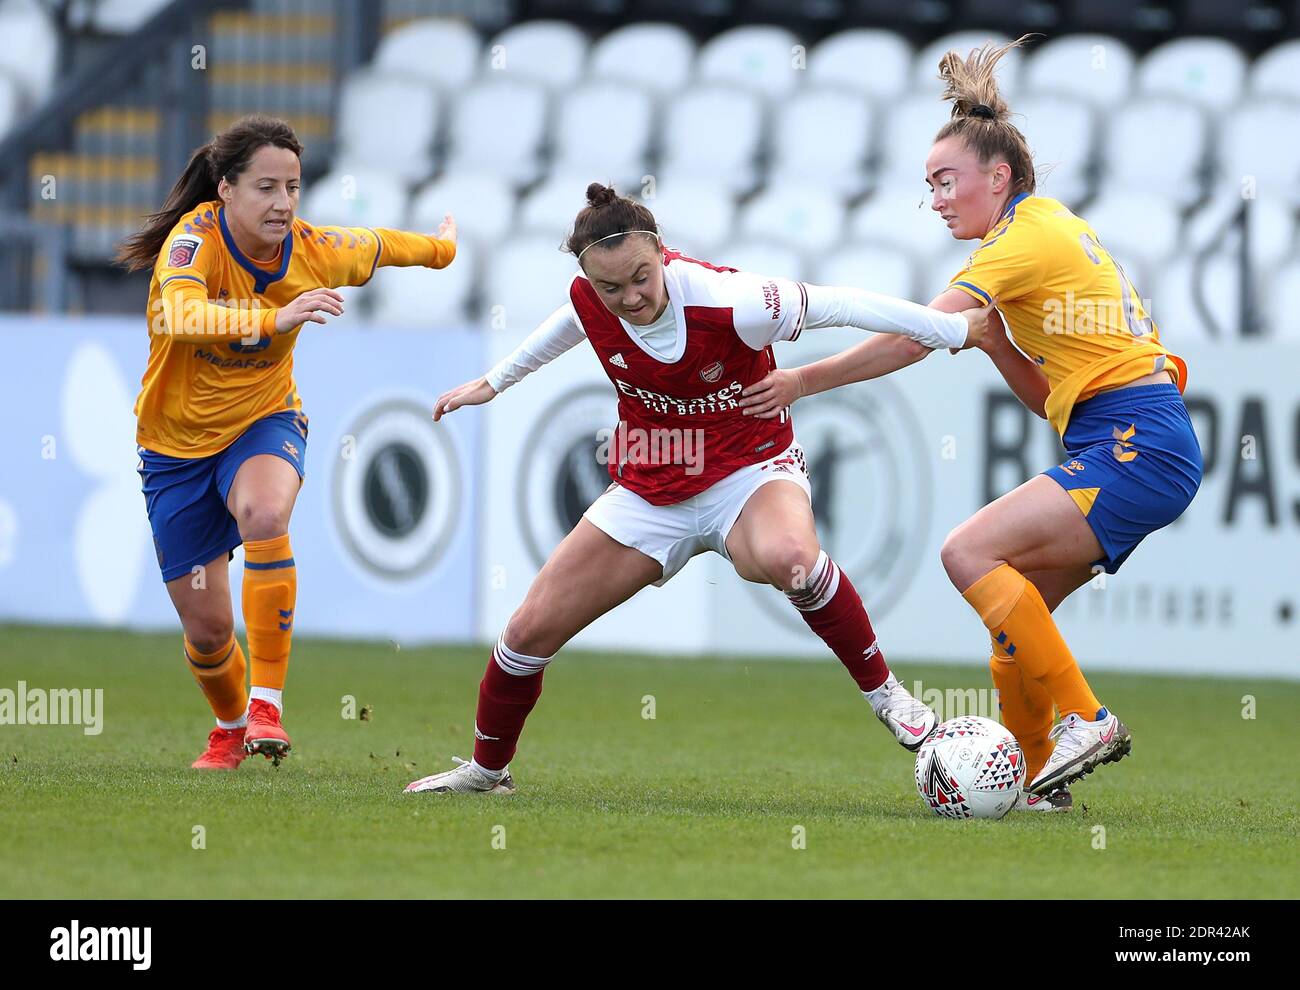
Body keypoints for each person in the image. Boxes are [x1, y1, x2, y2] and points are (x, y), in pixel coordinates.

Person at [405, 182, 991, 795]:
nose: (630, 297)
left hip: (750, 470)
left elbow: (843, 304)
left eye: (640, 277)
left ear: (661, 252)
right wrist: (494, 382)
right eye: (612, 288)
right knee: (526, 633)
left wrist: (948, 330)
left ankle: (886, 694)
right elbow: (567, 323)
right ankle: (486, 772)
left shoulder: (735, 302)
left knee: (792, 561)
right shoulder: (590, 299)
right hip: (650, 489)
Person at [738, 38, 1202, 812]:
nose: (939, 199)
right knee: (1015, 624)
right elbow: (1052, 400)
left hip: (1139, 441)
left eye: (947, 182)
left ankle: (1088, 720)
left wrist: (803, 379)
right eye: (929, 187)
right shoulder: (1050, 228)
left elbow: (914, 333)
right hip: (1135, 437)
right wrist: (993, 342)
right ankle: (1036, 781)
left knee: (967, 551)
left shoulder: (1019, 240)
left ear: (999, 176)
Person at [117, 115, 458, 769]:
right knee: (209, 631)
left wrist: (442, 249)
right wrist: (277, 315)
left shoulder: (312, 247)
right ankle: (230, 725)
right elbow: (184, 316)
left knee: (267, 513)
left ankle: (267, 705)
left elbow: (381, 246)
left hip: (263, 421)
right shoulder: (191, 245)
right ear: (225, 189)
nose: (283, 203)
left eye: (294, 187)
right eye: (267, 187)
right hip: (175, 447)